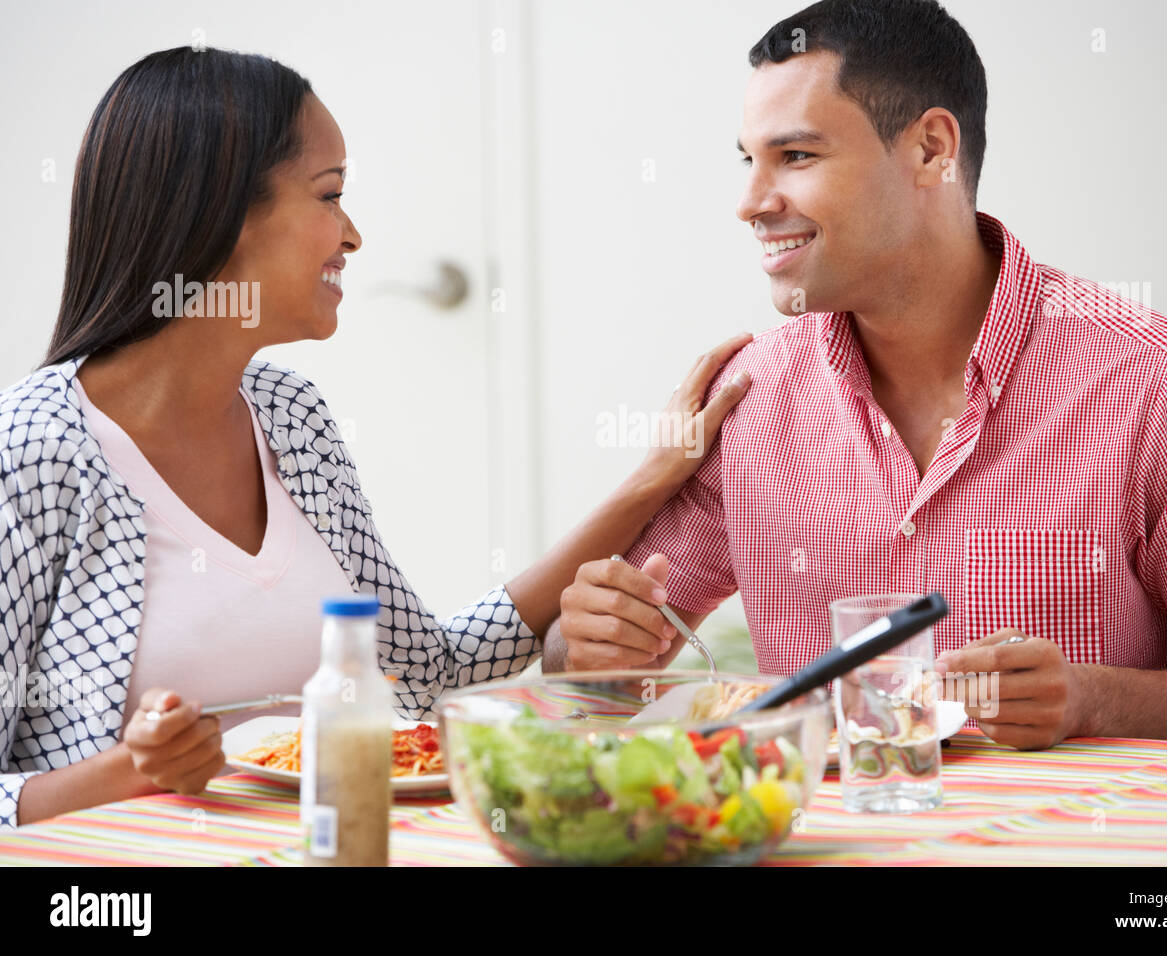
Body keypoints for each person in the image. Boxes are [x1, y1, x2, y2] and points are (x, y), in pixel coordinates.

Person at [0, 47, 752, 827]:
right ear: (218, 212)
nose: (352, 234)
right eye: (329, 196)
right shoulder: (32, 452)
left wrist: (653, 479)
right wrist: (131, 773)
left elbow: (431, 670)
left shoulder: (290, 417)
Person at [543, 0, 1167, 750]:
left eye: (797, 157)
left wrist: (1094, 698)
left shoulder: (1164, 382)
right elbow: (589, 671)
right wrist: (590, 646)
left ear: (933, 149)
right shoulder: (746, 400)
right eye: (750, 160)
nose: (750, 204)